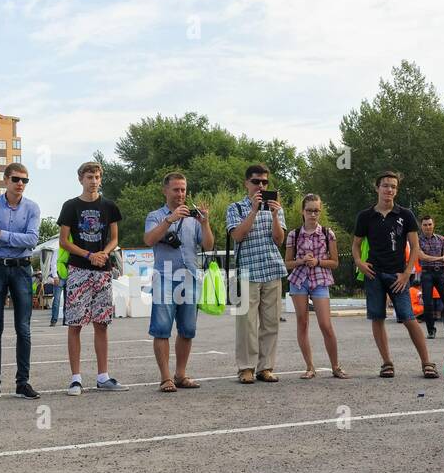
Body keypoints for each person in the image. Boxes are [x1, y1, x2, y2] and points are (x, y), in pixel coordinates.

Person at [353, 171, 437, 378]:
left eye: (393, 186)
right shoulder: (365, 216)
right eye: (385, 186)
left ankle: (427, 362)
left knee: (409, 318)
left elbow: (415, 246)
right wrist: (359, 263)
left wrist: (407, 273)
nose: (389, 190)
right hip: (374, 274)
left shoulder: (405, 215)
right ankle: (387, 363)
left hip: (398, 275)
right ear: (377, 188)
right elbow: (355, 245)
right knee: (377, 318)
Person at [56, 162, 126, 394]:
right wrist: (88, 254)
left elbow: (114, 238)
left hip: (103, 270)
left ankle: (103, 376)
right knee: (75, 324)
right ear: (80, 179)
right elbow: (64, 241)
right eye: (89, 177)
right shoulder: (70, 206)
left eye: (96, 176)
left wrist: (104, 253)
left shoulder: (109, 206)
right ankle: (76, 378)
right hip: (78, 269)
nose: (93, 181)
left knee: (101, 324)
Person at [145, 171, 214, 392]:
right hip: (165, 277)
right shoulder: (155, 216)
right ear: (165, 190)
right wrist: (169, 219)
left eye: (183, 189)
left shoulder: (193, 218)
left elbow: (209, 246)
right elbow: (149, 239)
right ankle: (165, 378)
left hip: (190, 277)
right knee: (162, 328)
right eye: (176, 189)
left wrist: (205, 223)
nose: (180, 194)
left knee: (187, 329)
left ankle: (180, 374)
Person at [0, 162, 41, 401]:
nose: (20, 184)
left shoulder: (32, 208)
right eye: (16, 179)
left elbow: (33, 240)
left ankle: (22, 383)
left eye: (25, 181)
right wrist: (13, 239)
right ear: (5, 180)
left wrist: (2, 235)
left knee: (23, 329)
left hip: (22, 269)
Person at [226, 164, 287, 384]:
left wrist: (274, 215)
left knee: (271, 323)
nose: (261, 186)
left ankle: (266, 367)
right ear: (246, 183)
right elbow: (238, 236)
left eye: (264, 182)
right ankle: (246, 368)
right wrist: (253, 210)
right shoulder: (236, 208)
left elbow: (279, 240)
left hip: (271, 269)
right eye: (256, 182)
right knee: (246, 324)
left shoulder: (276, 209)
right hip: (247, 272)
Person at [285, 194, 346, 379]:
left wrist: (318, 261)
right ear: (302, 212)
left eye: (316, 211)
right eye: (309, 210)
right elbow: (287, 263)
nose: (313, 214)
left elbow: (335, 262)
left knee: (326, 325)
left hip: (320, 279)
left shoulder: (328, 234)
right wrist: (301, 261)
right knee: (302, 322)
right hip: (299, 280)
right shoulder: (293, 235)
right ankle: (310, 366)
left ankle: (335, 366)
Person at [417, 215, 444, 339]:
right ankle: (431, 331)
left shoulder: (441, 239)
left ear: (433, 225)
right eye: (425, 224)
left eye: (429, 224)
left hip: (440, 274)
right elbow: (422, 257)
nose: (427, 227)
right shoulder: (417, 240)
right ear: (421, 226)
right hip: (426, 273)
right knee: (428, 303)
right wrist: (439, 258)